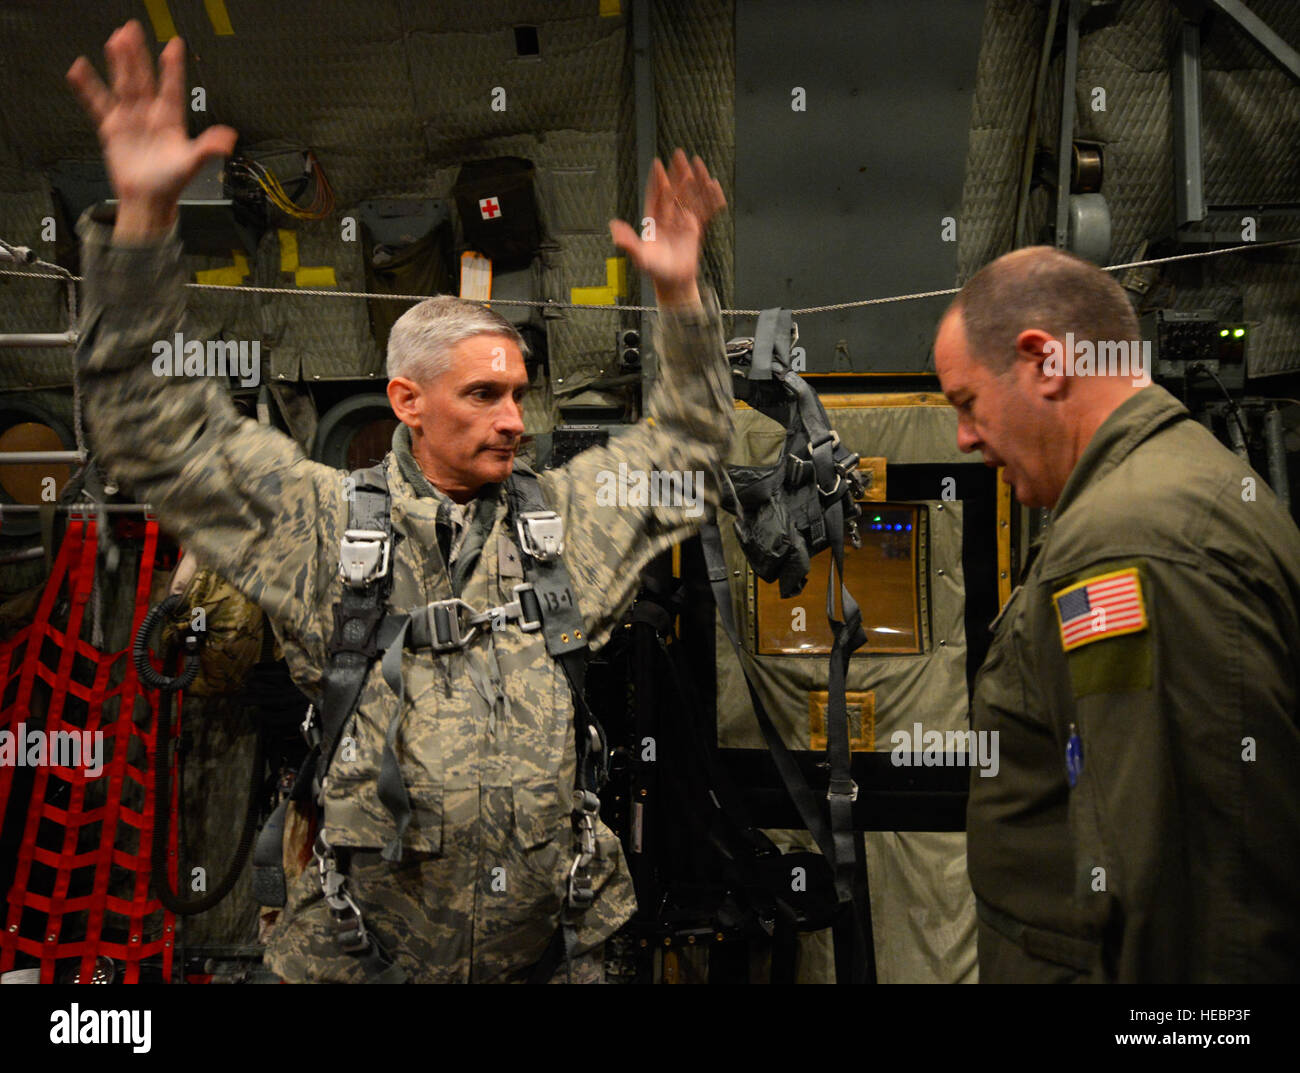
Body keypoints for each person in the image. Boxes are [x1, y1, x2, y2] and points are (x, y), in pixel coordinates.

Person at [67, 20, 732, 983]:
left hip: (545, 960)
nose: (514, 419)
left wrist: (680, 304)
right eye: (484, 395)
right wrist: (140, 227)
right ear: (407, 403)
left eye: (517, 392)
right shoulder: (320, 523)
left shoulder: (566, 525)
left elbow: (692, 451)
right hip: (360, 960)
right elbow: (147, 426)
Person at [933, 245, 1300, 983]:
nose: (966, 438)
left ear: (1044, 361)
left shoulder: (1130, 543)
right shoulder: (1186, 484)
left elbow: (1191, 903)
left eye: (968, 403)